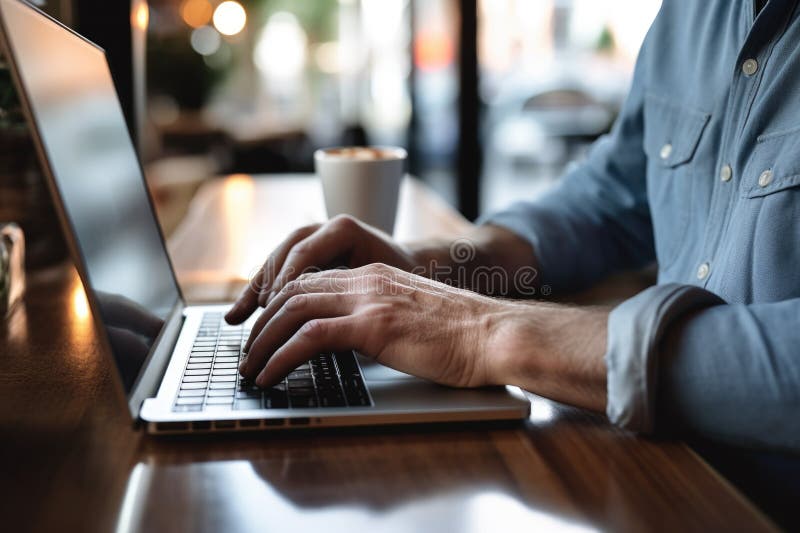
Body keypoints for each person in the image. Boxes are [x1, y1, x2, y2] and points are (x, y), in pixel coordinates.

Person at [225, 0, 799, 453]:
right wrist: (430, 267)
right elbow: (609, 200)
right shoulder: (690, 12)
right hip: (658, 461)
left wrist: (485, 331)